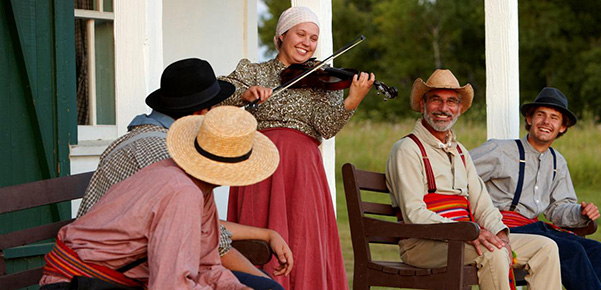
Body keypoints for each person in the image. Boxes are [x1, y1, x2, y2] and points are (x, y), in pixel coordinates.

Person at [74, 58, 291, 290]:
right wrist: (267, 284)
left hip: (138, 262)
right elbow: (176, 278)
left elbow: (207, 251)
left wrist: (265, 236)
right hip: (100, 277)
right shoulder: (171, 163)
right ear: (199, 113)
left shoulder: (174, 155)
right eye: (214, 109)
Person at [219, 6, 374, 289]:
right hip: (258, 167)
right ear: (281, 35)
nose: (307, 42)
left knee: (303, 240)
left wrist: (351, 102)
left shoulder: (319, 80)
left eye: (313, 38)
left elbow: (326, 127)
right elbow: (215, 98)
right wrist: (244, 94)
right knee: (258, 241)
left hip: (302, 171)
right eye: (300, 34)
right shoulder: (253, 71)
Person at [39, 106, 280, 289]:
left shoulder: (192, 185)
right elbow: (170, 284)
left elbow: (207, 265)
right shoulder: (181, 192)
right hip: (79, 283)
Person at [385, 69, 562, 290]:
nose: (443, 108)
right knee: (492, 252)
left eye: (451, 101)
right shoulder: (407, 149)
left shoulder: (460, 152)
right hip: (423, 244)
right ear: (423, 105)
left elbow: (482, 204)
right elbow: (414, 213)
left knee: (545, 247)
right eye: (436, 100)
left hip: (464, 238)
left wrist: (500, 234)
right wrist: (468, 233)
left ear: (459, 108)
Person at [470, 87, 601, 290]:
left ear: (562, 127)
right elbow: (462, 174)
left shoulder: (557, 162)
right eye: (540, 115)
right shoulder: (500, 150)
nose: (546, 122)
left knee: (599, 252)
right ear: (529, 119)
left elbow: (558, 209)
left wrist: (579, 212)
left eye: (554, 118)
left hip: (535, 228)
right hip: (504, 227)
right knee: (573, 252)